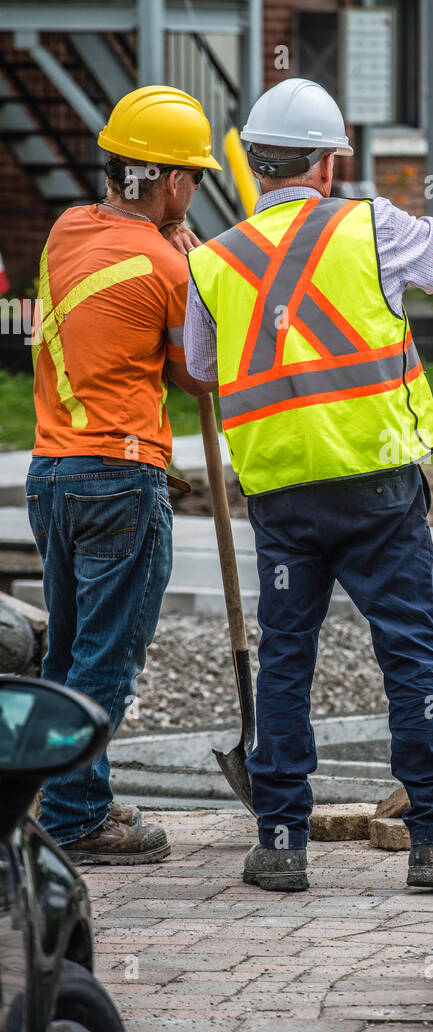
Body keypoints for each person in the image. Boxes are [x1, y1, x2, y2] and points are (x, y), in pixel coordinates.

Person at [185, 77, 433, 893]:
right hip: (376, 487)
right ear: (330, 165)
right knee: (408, 651)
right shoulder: (371, 224)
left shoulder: (213, 258)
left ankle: (279, 842)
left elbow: (198, 369)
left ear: (256, 167)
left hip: (282, 495)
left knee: (287, 659)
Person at [26, 85, 220, 864]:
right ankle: (76, 814)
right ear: (172, 183)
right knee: (107, 655)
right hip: (121, 476)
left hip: (54, 475)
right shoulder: (167, 264)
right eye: (194, 177)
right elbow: (196, 378)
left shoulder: (67, 228)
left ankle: (50, 791)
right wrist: (200, 277)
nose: (196, 190)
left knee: (69, 647)